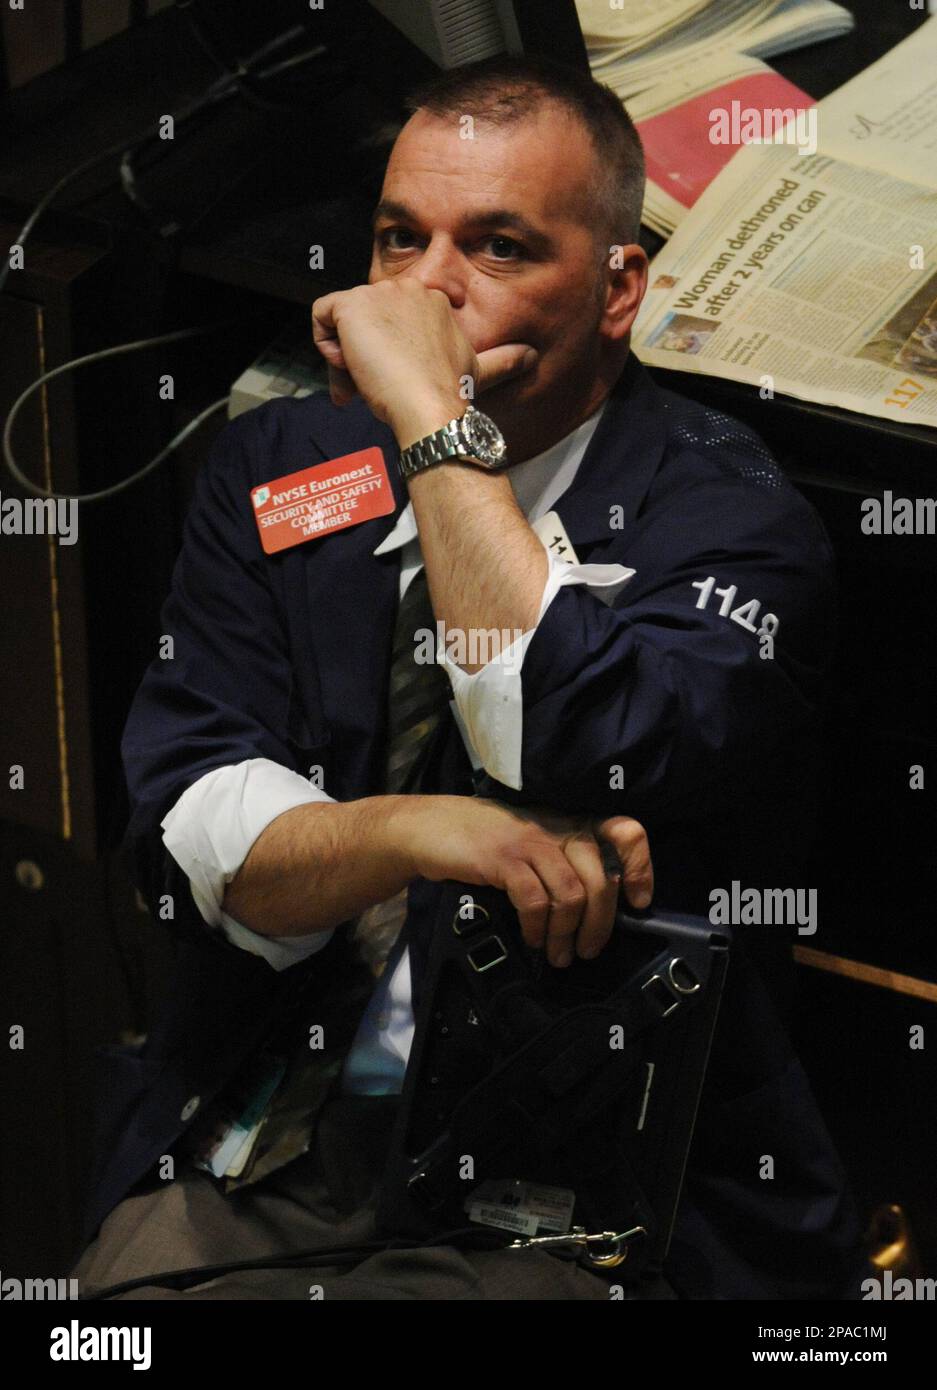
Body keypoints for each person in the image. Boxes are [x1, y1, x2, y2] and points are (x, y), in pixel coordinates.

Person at [71, 55, 868, 1300]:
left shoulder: (734, 518)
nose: (427, 290)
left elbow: (561, 731)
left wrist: (441, 432)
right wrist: (425, 833)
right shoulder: (280, 468)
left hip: (578, 1184)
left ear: (617, 291)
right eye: (399, 239)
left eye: (497, 247)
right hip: (279, 1124)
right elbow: (208, 854)